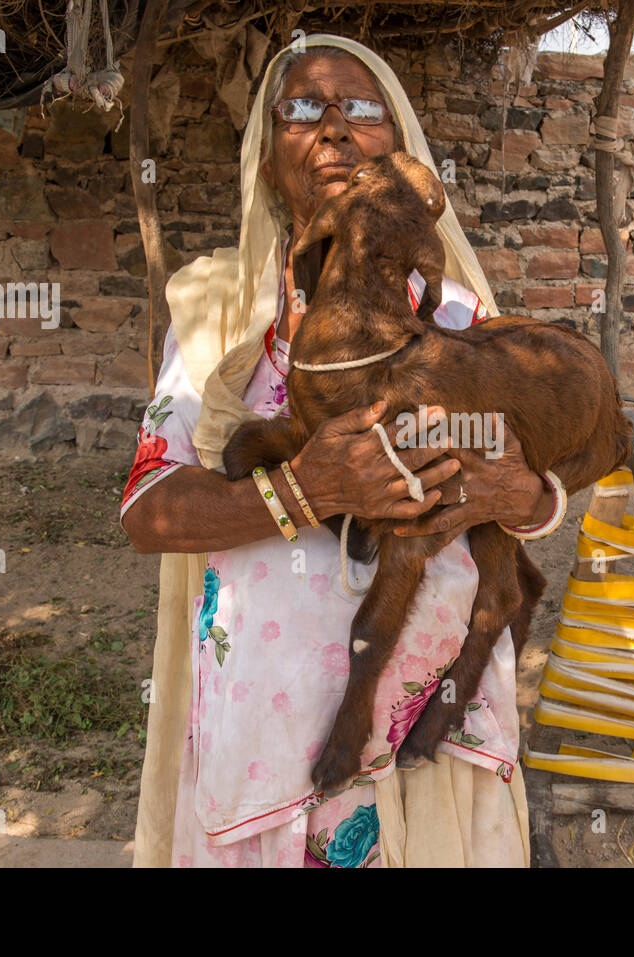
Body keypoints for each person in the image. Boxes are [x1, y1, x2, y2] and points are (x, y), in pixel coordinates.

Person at [120, 33, 565, 867]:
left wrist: (526, 497)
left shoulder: (462, 318)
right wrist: (305, 487)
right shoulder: (215, 315)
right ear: (264, 157)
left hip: (431, 735)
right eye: (302, 108)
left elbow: (540, 491)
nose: (333, 127)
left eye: (362, 110)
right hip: (272, 738)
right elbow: (147, 511)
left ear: (402, 154)